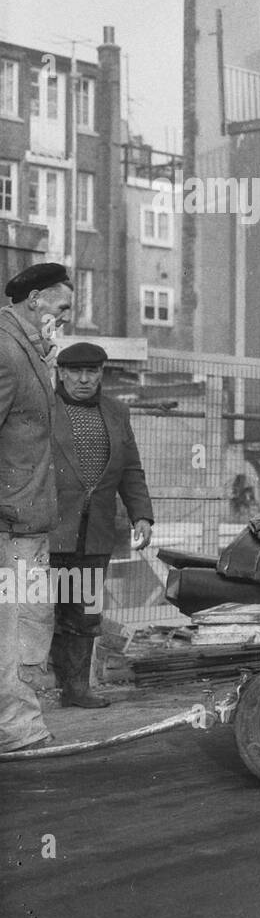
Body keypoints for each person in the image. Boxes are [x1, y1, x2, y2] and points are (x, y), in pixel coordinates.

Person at [48, 343, 154, 708]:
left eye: (91, 372)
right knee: (38, 608)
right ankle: (28, 693)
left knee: (85, 611)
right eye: (75, 372)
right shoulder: (42, 408)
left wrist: (141, 515)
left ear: (101, 374)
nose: (83, 379)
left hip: (96, 534)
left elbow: (130, 469)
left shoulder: (116, 412)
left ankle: (75, 690)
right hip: (46, 532)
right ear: (60, 373)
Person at [0, 262, 74, 752]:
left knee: (28, 623)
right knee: (12, 627)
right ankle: (18, 729)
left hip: (26, 518)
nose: (66, 316)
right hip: (10, 520)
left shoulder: (28, 349)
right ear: (35, 301)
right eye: (62, 306)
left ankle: (19, 725)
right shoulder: (5, 351)